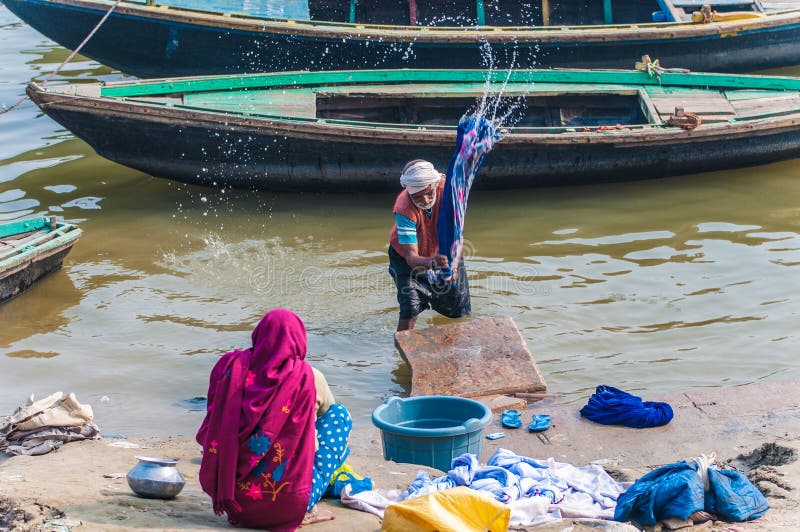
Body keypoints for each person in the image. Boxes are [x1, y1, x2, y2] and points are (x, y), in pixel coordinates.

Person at [196, 308, 351, 531]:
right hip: (289, 506)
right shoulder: (307, 376)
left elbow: (210, 426)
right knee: (338, 417)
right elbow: (322, 420)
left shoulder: (228, 368)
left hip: (230, 498)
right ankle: (308, 509)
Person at [388, 159, 471, 331]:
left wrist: (453, 267)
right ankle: (402, 350)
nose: (425, 200)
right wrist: (432, 263)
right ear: (408, 191)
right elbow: (411, 258)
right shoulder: (404, 209)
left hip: (445, 252)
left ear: (435, 184)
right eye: (417, 196)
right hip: (407, 258)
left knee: (458, 306)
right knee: (410, 307)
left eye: (429, 193)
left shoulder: (448, 191)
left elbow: (458, 235)